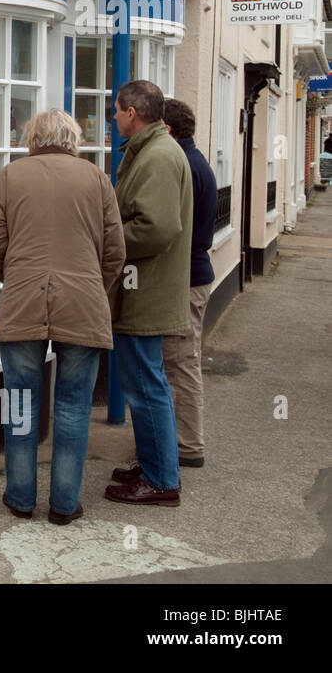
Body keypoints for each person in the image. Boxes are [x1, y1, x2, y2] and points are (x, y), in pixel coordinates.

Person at [0, 109, 125, 525]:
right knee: (75, 406)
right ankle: (64, 504)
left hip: (24, 299)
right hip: (83, 303)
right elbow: (116, 249)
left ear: (33, 138)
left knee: (21, 403)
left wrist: (15, 275)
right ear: (72, 138)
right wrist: (94, 284)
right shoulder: (97, 178)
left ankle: (21, 499)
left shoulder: (11, 176)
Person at [105, 80, 192, 507]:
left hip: (146, 292)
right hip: (146, 288)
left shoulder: (157, 156)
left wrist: (108, 241)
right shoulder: (154, 151)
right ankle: (155, 464)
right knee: (146, 382)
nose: (113, 117)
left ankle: (161, 481)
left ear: (132, 114)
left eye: (116, 111)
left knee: (145, 386)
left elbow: (157, 228)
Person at [160, 99, 218, 468]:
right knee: (182, 362)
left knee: (181, 363)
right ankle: (182, 442)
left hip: (187, 281)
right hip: (193, 278)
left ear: (167, 131)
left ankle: (187, 446)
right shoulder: (194, 161)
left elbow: (170, 229)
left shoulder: (184, 165)